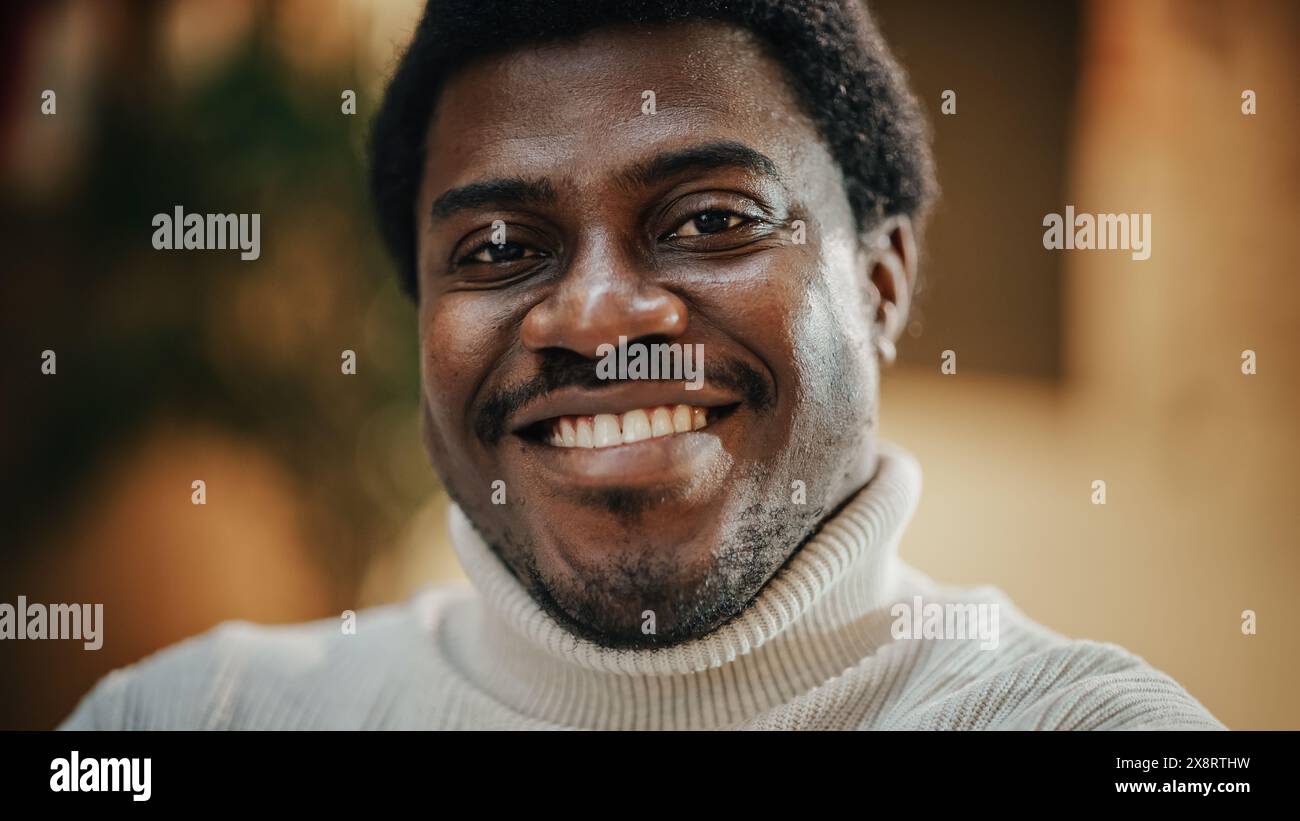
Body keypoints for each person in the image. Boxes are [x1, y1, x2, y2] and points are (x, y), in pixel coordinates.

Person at [61, 0, 1222, 730]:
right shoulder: (184, 716)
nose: (597, 312)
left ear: (881, 280)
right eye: (501, 248)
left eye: (711, 220)